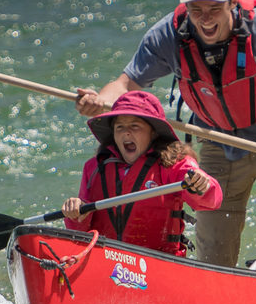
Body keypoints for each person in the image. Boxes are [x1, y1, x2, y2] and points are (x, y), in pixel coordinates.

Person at [75, 0, 256, 272]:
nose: (205, 18)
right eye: (196, 9)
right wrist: (101, 101)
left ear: (233, 2)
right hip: (217, 141)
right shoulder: (168, 36)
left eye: (214, 7)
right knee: (212, 257)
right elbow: (126, 83)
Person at [62, 91, 222, 257]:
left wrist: (202, 185)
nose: (126, 133)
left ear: (153, 132)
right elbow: (78, 233)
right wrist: (75, 213)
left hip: (159, 260)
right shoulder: (93, 167)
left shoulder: (175, 164)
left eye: (135, 126)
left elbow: (212, 201)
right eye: (119, 127)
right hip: (107, 258)